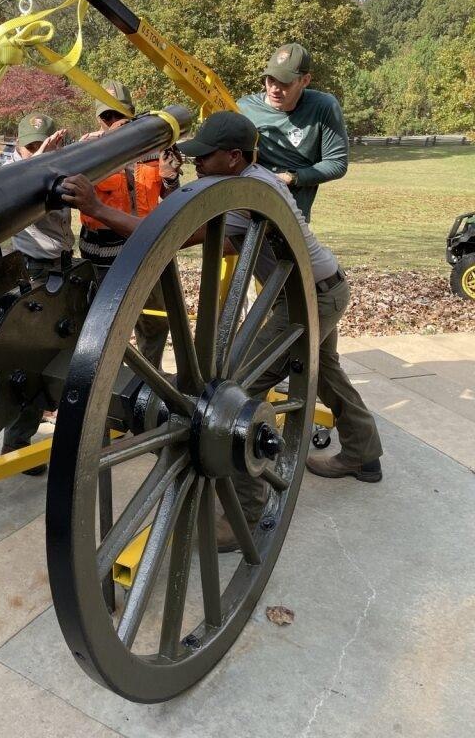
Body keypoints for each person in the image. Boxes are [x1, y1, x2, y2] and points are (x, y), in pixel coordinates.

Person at [61, 111, 383, 549]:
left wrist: (96, 209)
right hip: (323, 288)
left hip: (308, 297)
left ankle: (244, 516)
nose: (196, 162)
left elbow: (160, 236)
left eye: (205, 156)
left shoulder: (252, 191)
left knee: (235, 398)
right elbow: (228, 238)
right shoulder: (252, 184)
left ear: (233, 157)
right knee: (326, 373)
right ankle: (364, 454)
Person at [78, 80, 182, 366]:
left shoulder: (155, 149)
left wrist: (171, 178)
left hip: (146, 247)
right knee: (107, 328)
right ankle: (106, 382)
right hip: (103, 257)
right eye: (107, 116)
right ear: (99, 119)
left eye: (121, 114)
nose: (115, 122)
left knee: (155, 322)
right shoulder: (85, 153)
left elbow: (173, 199)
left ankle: (147, 381)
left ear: (133, 114)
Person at [0, 112, 73, 474]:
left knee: (68, 351)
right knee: (32, 357)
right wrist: (38, 166)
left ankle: (67, 428)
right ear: (18, 145)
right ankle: (15, 445)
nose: (37, 152)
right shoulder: (10, 176)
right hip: (34, 267)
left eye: (42, 146)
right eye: (31, 148)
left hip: (62, 263)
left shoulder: (55, 165)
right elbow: (17, 208)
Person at [238, 43, 348, 220]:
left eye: (285, 83)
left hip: (290, 217)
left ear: (305, 80)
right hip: (244, 205)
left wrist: (290, 177)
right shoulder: (244, 108)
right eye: (271, 80)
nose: (274, 89)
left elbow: (337, 163)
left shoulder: (323, 107)